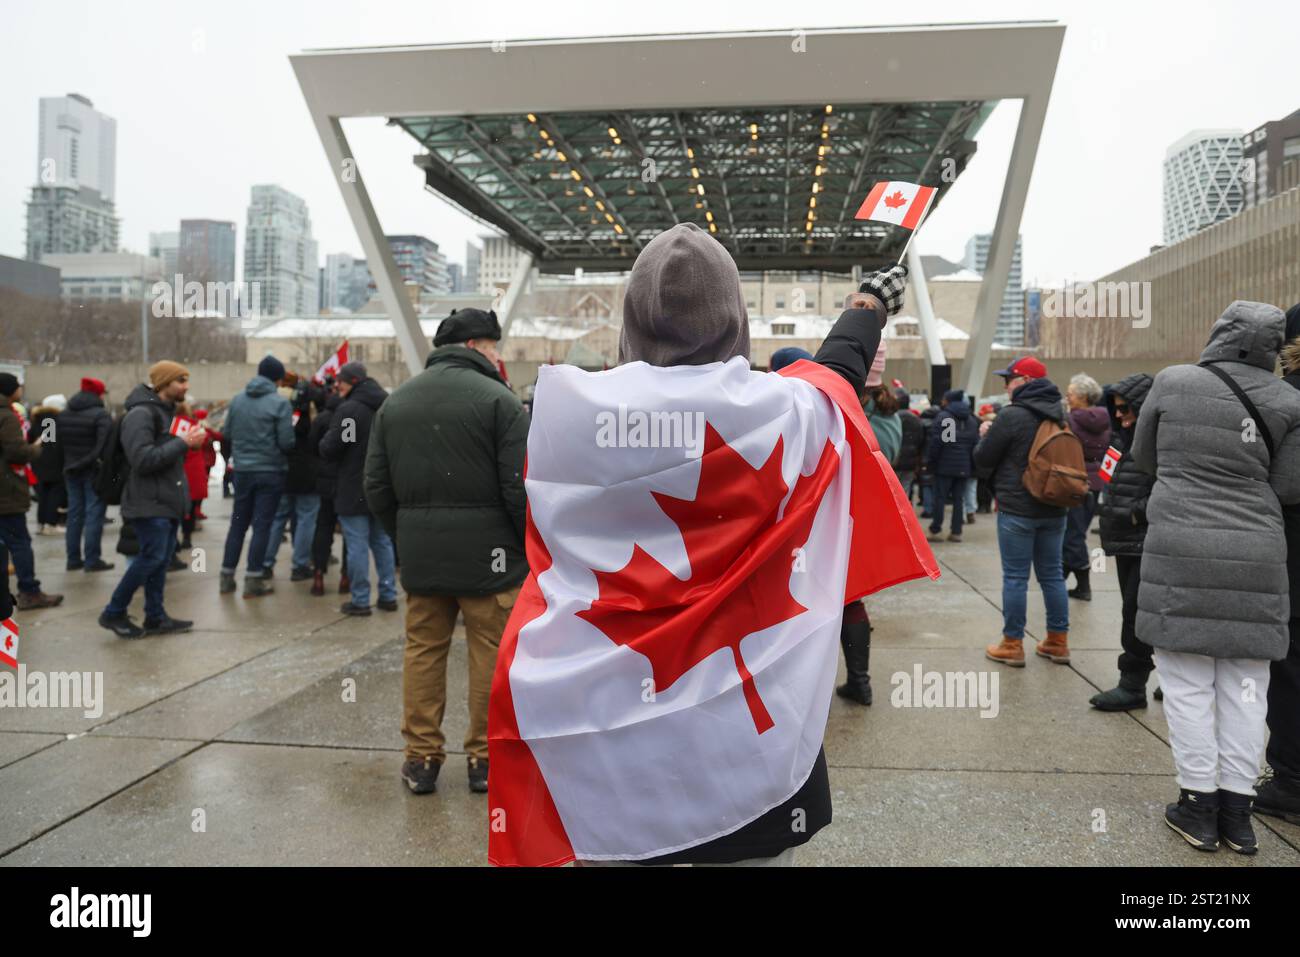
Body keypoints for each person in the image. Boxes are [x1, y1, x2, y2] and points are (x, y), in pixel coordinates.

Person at [1131, 301, 1300, 855]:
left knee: (1185, 686)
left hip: (1179, 547)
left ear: (1221, 333)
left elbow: (1144, 455)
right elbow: (1289, 486)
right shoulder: (1289, 400)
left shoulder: (1174, 381)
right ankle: (1239, 814)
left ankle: (1198, 807)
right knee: (1249, 689)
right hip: (1256, 554)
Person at [365, 308, 528, 795]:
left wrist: (407, 535)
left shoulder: (395, 404)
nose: (499, 355)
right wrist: (524, 548)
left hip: (423, 561)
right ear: (478, 346)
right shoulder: (501, 402)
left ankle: (420, 759)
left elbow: (375, 486)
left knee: (422, 653)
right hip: (492, 563)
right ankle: (484, 758)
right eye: (496, 346)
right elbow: (518, 489)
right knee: (490, 656)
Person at [98, 361, 206, 638]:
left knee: (159, 561)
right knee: (150, 558)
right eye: (180, 381)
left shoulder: (163, 413)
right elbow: (142, 459)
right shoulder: (141, 415)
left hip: (165, 501)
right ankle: (114, 612)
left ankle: (155, 617)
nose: (186, 386)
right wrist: (184, 442)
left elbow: (166, 459)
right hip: (148, 502)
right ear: (163, 383)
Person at [975, 356, 1070, 666]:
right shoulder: (1060, 414)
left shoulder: (1011, 415)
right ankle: (1057, 641)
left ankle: (1013, 644)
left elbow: (984, 459)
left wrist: (986, 435)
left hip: (1017, 508)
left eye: (1010, 379)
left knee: (1015, 577)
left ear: (1025, 382)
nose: (1006, 385)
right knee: (1052, 575)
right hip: (1055, 506)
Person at [1089, 374, 1158, 712]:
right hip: (1125, 541)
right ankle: (1167, 680)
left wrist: (1135, 514)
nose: (1118, 415)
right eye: (1114, 409)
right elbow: (1106, 479)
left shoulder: (1157, 442)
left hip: (1144, 540)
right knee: (1135, 611)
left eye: (1125, 408)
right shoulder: (1119, 441)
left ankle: (1133, 685)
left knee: (1139, 614)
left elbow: (1170, 487)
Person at [1258, 303, 1300, 823]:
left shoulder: (1287, 398)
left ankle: (1290, 779)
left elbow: (1286, 486)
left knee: (1289, 667)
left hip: (1293, 551)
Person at [319, 362, 396, 616]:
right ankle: (388, 595)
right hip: (381, 487)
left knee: (357, 546)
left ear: (352, 381)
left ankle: (361, 599)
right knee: (382, 543)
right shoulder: (388, 406)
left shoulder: (350, 410)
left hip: (353, 487)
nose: (337, 385)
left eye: (340, 381)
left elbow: (332, 448)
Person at [219, 356, 294, 598]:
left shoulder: (238, 400)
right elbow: (286, 442)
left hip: (242, 472)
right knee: (262, 526)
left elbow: (227, 432)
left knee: (238, 524)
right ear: (277, 378)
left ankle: (226, 577)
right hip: (270, 472)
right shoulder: (279, 404)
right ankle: (253, 580)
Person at [0, 373, 63, 610]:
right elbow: (26, 448)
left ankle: (44, 522)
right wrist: (35, 450)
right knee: (19, 541)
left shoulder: (31, 418)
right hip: (13, 483)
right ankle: (29, 590)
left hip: (32, 473)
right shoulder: (10, 417)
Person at [263, 379, 321, 582]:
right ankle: (300, 564)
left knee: (278, 519)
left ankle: (266, 563)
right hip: (307, 475)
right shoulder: (310, 421)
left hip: (284, 472)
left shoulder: (282, 416)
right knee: (306, 519)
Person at [1062, 373, 1111, 600]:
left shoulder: (1071, 421)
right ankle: (1069, 578)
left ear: (1082, 397)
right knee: (1077, 530)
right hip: (1095, 481)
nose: (1067, 397)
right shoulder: (1104, 419)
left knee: (1072, 533)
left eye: (1070, 393)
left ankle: (1082, 584)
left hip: (1075, 480)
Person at [60, 377, 114, 572]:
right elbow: (103, 446)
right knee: (94, 515)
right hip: (93, 470)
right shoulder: (101, 415)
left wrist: (68, 464)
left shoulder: (63, 414)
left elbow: (56, 443)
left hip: (70, 469)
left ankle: (73, 559)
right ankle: (92, 559)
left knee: (75, 514)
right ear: (98, 394)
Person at [308, 381, 347, 597]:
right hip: (344, 480)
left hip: (325, 480)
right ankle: (345, 576)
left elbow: (312, 447)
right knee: (349, 530)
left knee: (323, 527)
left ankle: (319, 573)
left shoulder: (321, 418)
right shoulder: (348, 418)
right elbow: (348, 446)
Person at [926, 389, 979, 544]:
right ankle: (956, 532)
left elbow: (939, 443)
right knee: (958, 499)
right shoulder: (971, 420)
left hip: (944, 466)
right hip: (964, 466)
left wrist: (931, 462)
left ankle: (936, 529)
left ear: (948, 401)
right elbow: (974, 444)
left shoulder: (945, 417)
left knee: (940, 498)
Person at [29, 394, 67, 535]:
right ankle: (50, 523)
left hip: (39, 462)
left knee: (43, 494)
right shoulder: (52, 420)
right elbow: (52, 443)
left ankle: (41, 523)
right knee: (54, 493)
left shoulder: (38, 419)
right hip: (53, 463)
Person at [893, 388, 925, 502]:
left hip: (895, 459)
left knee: (892, 488)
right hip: (911, 460)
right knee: (905, 489)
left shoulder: (892, 418)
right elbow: (921, 440)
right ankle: (903, 515)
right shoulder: (916, 419)